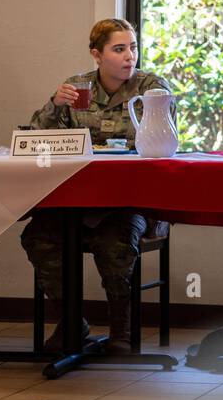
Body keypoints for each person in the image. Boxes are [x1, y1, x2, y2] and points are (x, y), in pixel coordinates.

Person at [20, 18, 174, 354]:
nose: (129, 56)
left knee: (114, 243)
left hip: (129, 202)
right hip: (77, 201)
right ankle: (72, 323)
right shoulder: (77, 87)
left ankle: (122, 331)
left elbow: (162, 139)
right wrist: (55, 105)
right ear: (97, 54)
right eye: (119, 49)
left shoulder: (151, 88)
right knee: (38, 236)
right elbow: (37, 139)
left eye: (132, 47)